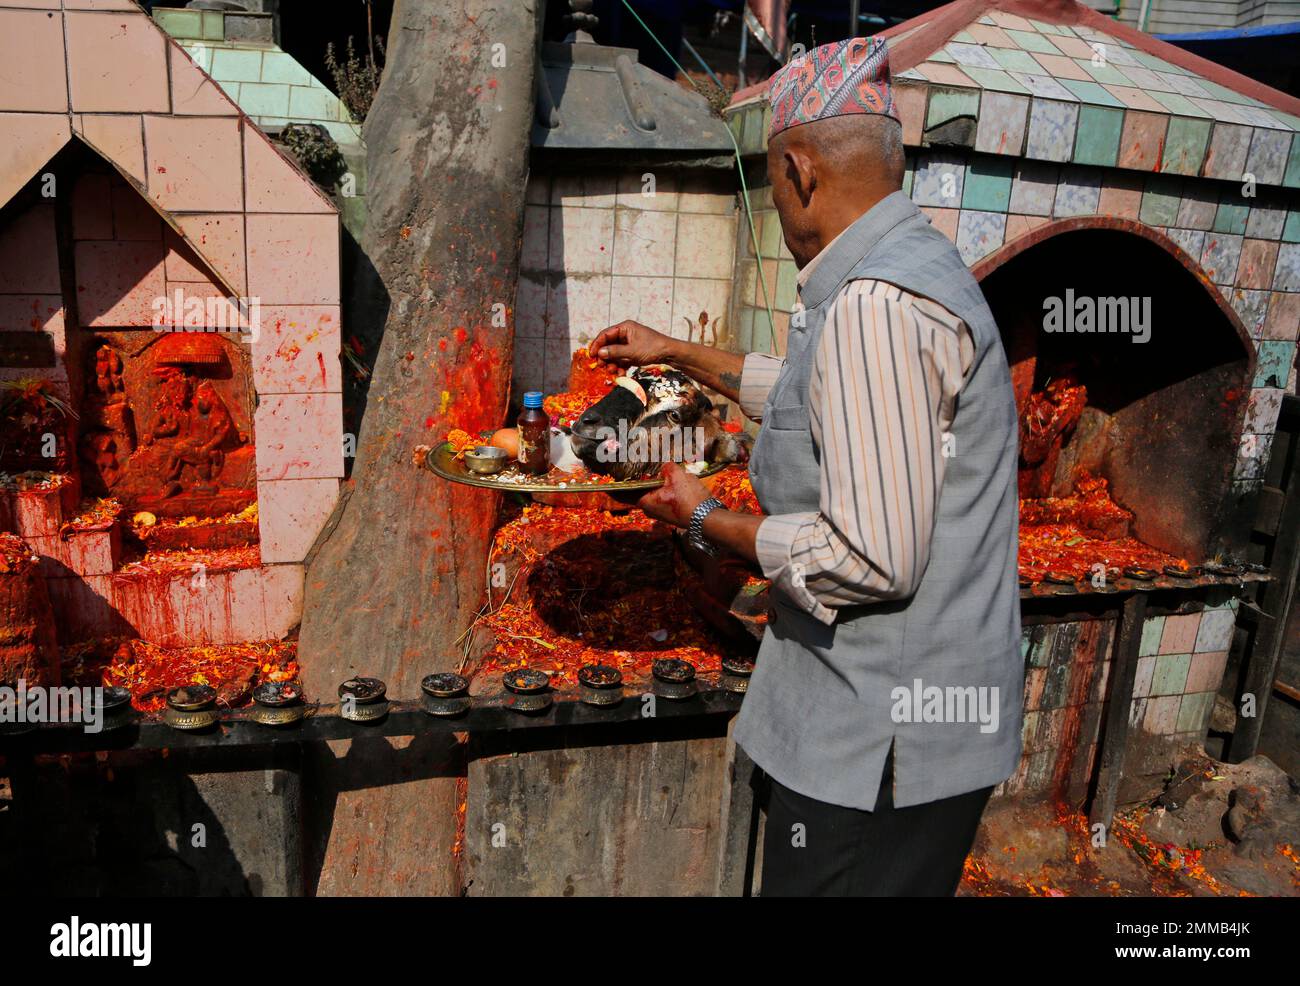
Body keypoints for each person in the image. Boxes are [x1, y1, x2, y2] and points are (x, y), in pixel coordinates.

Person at [589, 36, 1023, 896]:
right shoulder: (910, 265)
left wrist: (704, 520)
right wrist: (676, 351)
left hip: (879, 746)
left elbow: (869, 557)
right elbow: (811, 389)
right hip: (911, 732)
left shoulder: (876, 304)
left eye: (770, 184)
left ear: (799, 171)